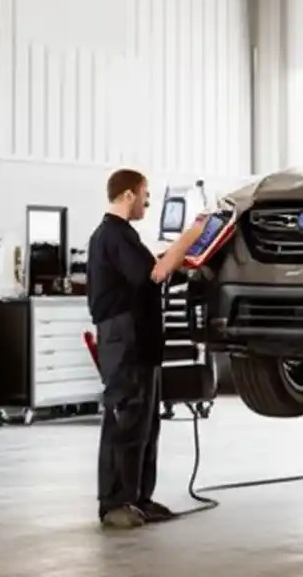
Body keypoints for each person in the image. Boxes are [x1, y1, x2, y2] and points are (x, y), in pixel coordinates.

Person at [86, 168, 205, 529]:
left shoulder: (126, 237)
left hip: (142, 341)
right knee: (125, 419)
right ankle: (114, 503)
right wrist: (193, 235)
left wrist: (183, 258)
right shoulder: (111, 235)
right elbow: (152, 274)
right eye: (145, 194)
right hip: (125, 341)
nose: (148, 201)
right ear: (127, 195)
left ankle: (138, 497)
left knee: (146, 423)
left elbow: (153, 270)